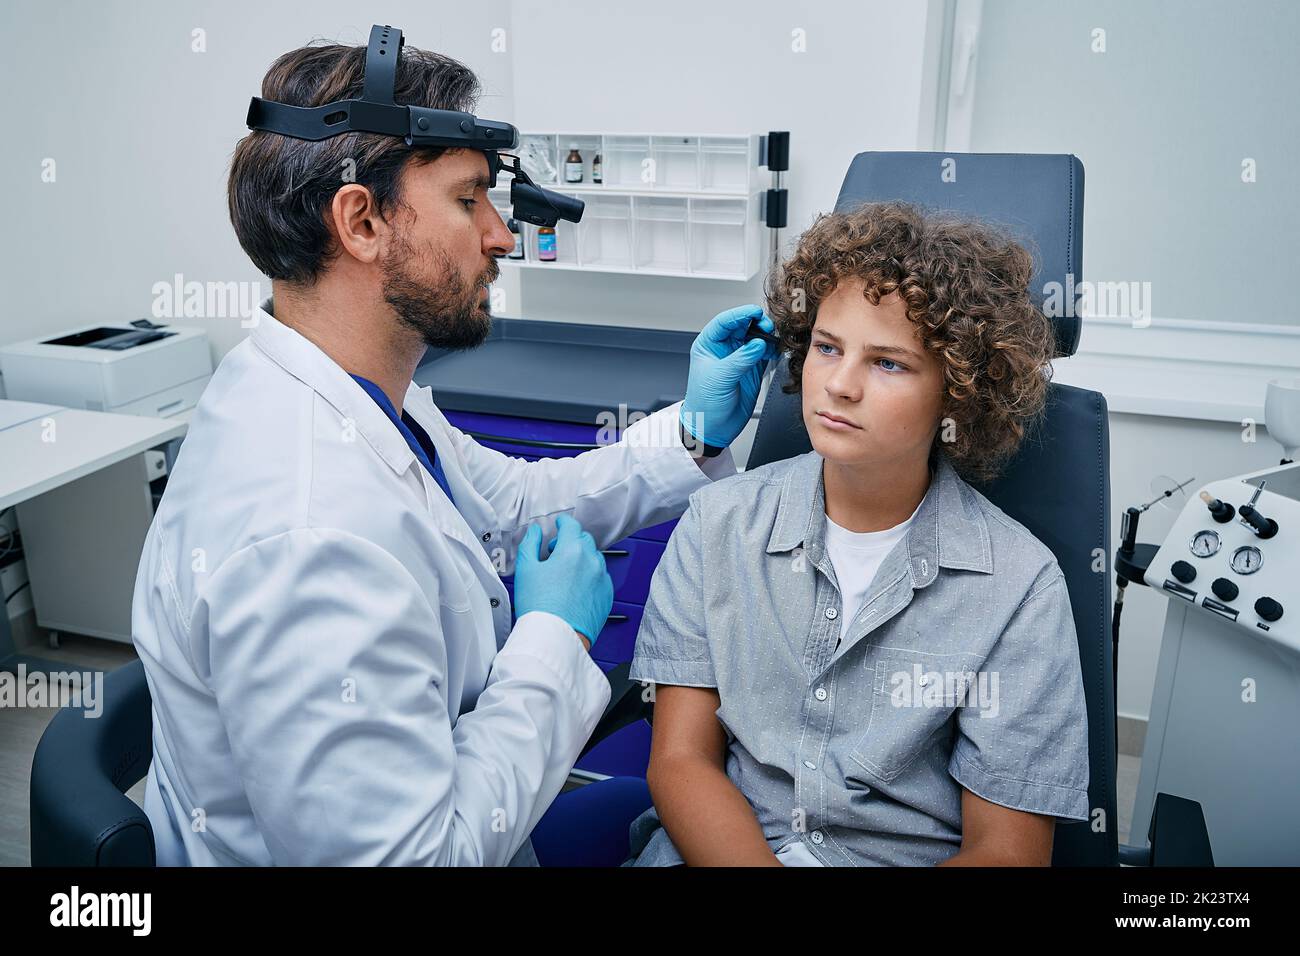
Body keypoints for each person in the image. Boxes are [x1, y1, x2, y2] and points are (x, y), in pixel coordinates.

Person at [130, 36, 776, 866]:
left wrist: (693, 434)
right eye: (470, 200)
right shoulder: (306, 537)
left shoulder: (346, 389)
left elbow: (505, 506)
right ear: (361, 221)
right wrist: (551, 639)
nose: (503, 237)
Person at [626, 200, 1091, 866]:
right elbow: (679, 760)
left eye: (889, 363)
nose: (838, 385)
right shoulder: (716, 524)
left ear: (957, 392)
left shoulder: (1019, 584)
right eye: (827, 347)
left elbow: (1008, 853)